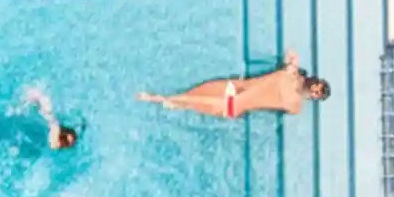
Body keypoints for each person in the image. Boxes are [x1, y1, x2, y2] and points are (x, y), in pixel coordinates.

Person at [135, 51, 330, 119]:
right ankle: (168, 103)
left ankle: (153, 99)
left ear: (314, 98)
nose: (314, 91)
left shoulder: (295, 105)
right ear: (314, 81)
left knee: (187, 100)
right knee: (188, 96)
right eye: (317, 87)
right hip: (234, 87)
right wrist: (293, 60)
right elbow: (291, 53)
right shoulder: (291, 73)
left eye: (317, 94)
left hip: (234, 105)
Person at [23, 85, 78, 150]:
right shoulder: (55, 128)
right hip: (43, 107)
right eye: (66, 142)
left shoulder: (55, 125)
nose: (67, 145)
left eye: (68, 144)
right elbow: (52, 145)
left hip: (43, 109)